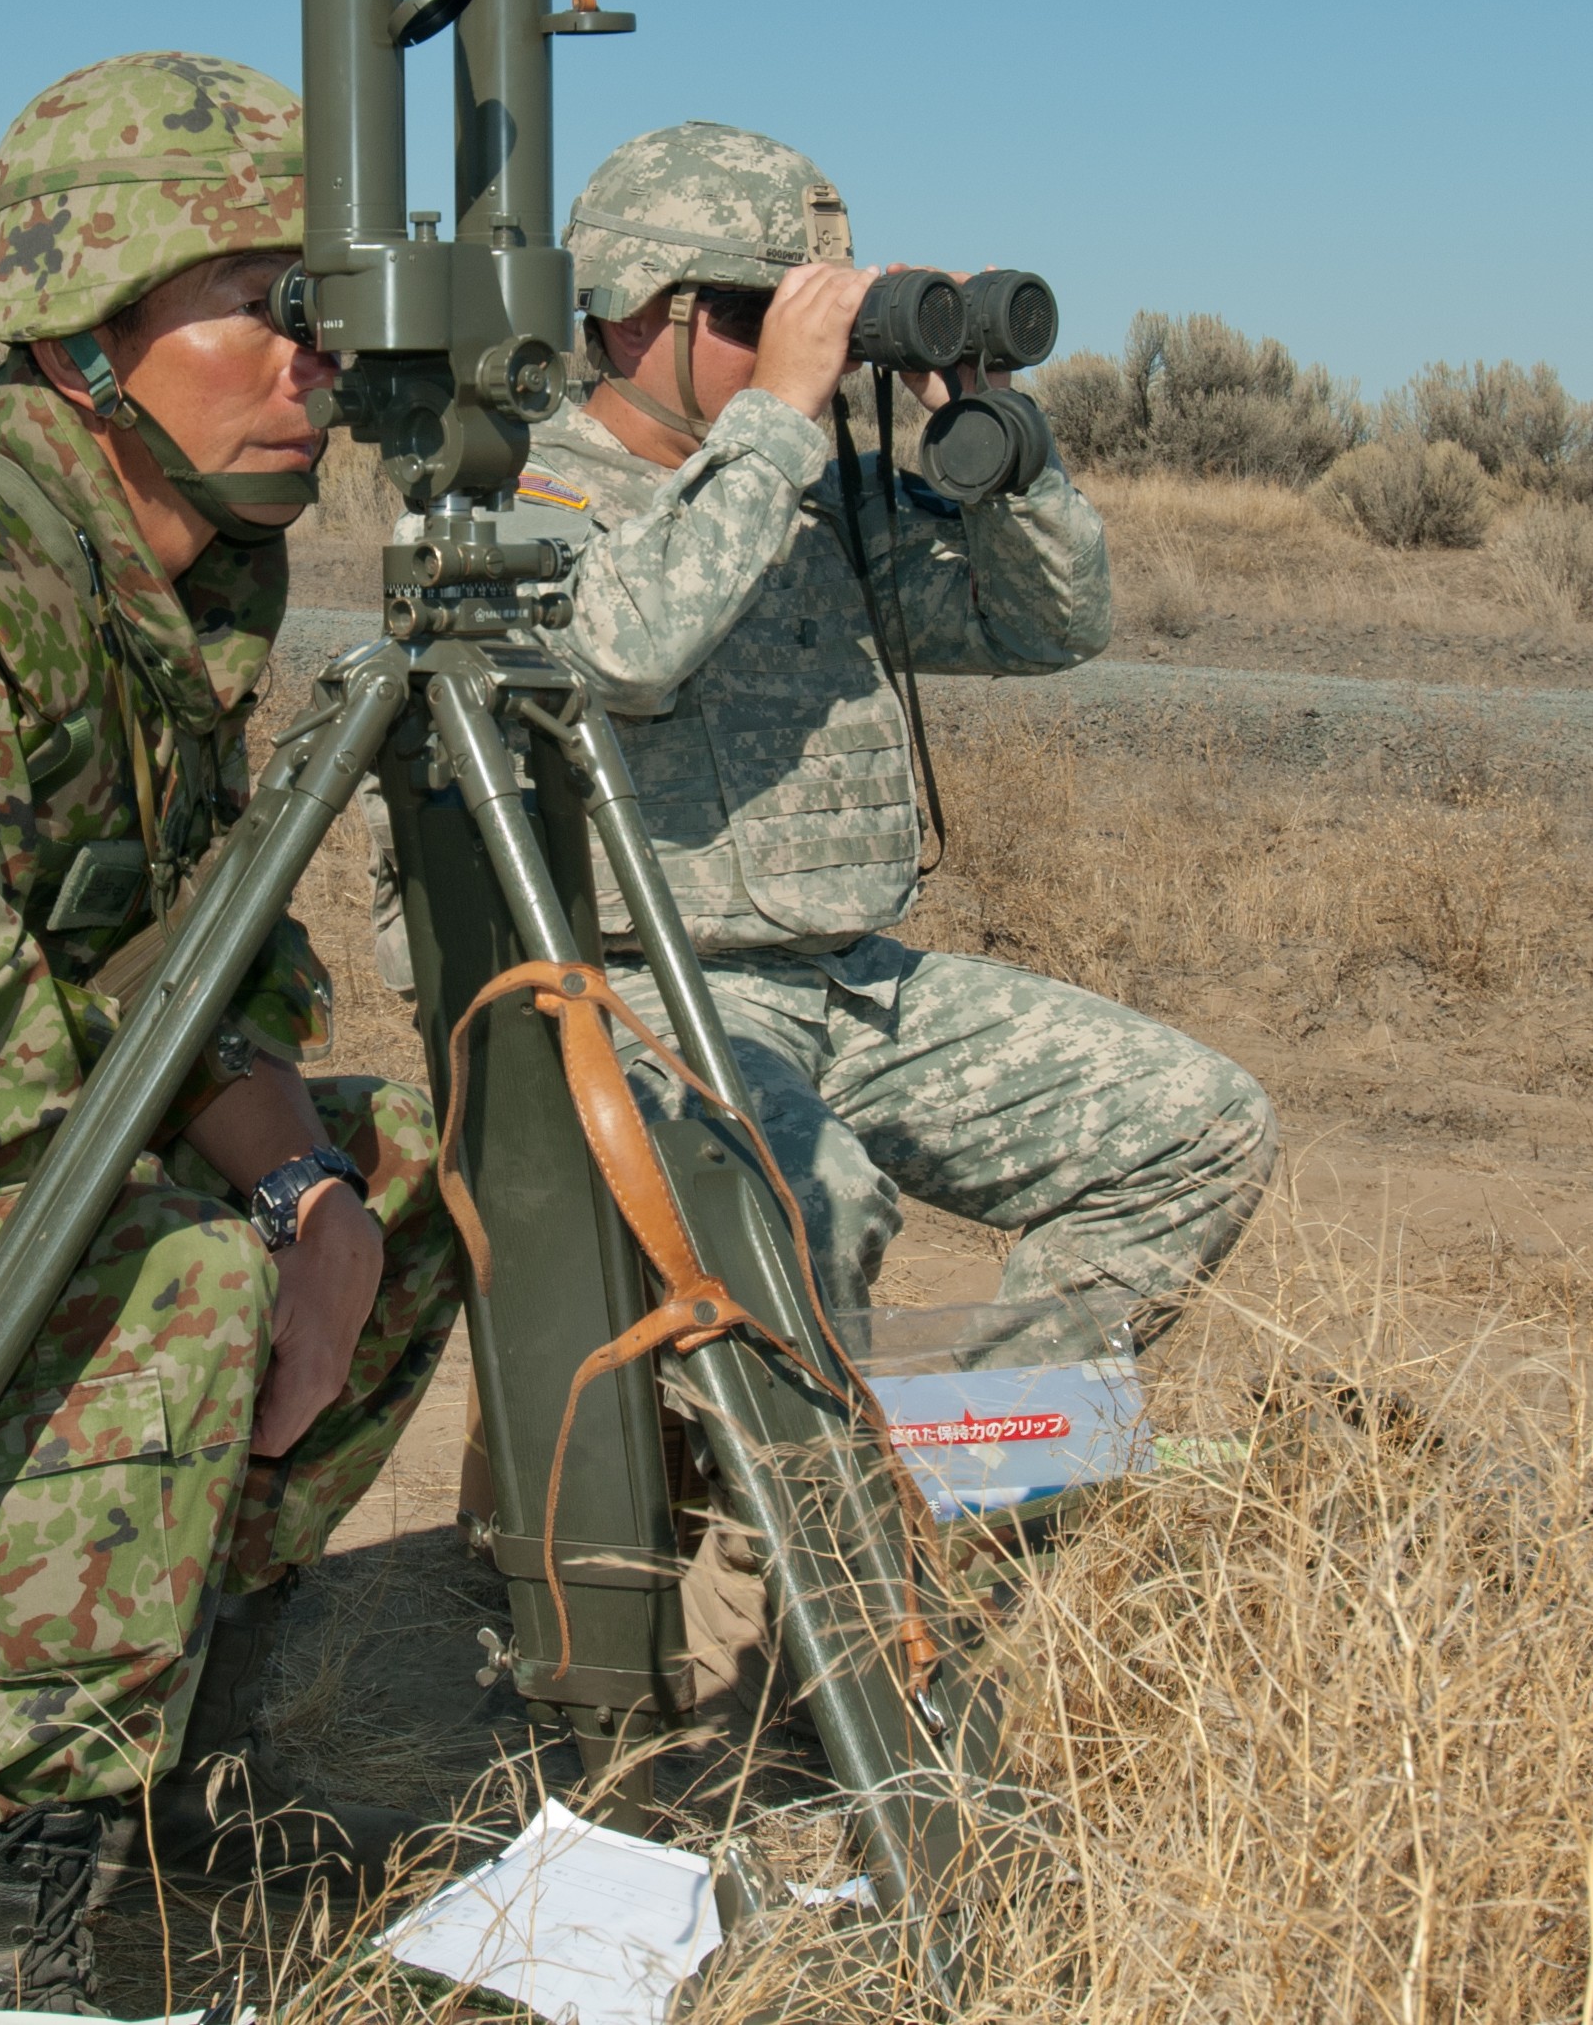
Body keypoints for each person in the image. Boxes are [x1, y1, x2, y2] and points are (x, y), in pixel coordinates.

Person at [0, 54, 459, 2010]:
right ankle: (14, 1934)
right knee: (162, 1282)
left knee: (402, 1170)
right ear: (81, 336)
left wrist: (307, 1180)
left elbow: (217, 979)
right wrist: (223, 1195)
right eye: (268, 299)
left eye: (335, 302)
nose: (323, 359)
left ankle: (150, 1702)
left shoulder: (185, 587)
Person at [381, 117, 1274, 1355]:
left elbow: (1040, 626)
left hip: (845, 980)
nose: (796, 348)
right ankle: (807, 1508)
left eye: (816, 314)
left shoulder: (805, 494)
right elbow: (622, 649)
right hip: (643, 992)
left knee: (1194, 1123)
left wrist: (995, 432)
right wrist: (778, 421)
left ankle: (984, 1447)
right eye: (757, 313)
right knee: (810, 1196)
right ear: (635, 312)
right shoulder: (512, 495)